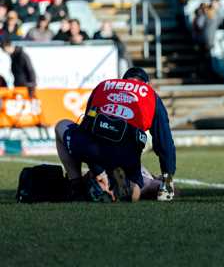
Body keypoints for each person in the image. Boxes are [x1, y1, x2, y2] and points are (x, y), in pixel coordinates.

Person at [54, 67, 176, 202]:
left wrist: (96, 169)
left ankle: (77, 185)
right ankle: (138, 186)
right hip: (126, 152)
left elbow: (87, 126)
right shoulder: (149, 94)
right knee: (137, 188)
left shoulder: (104, 85)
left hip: (95, 148)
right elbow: (164, 141)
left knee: (61, 125)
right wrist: (168, 176)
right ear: (146, 83)